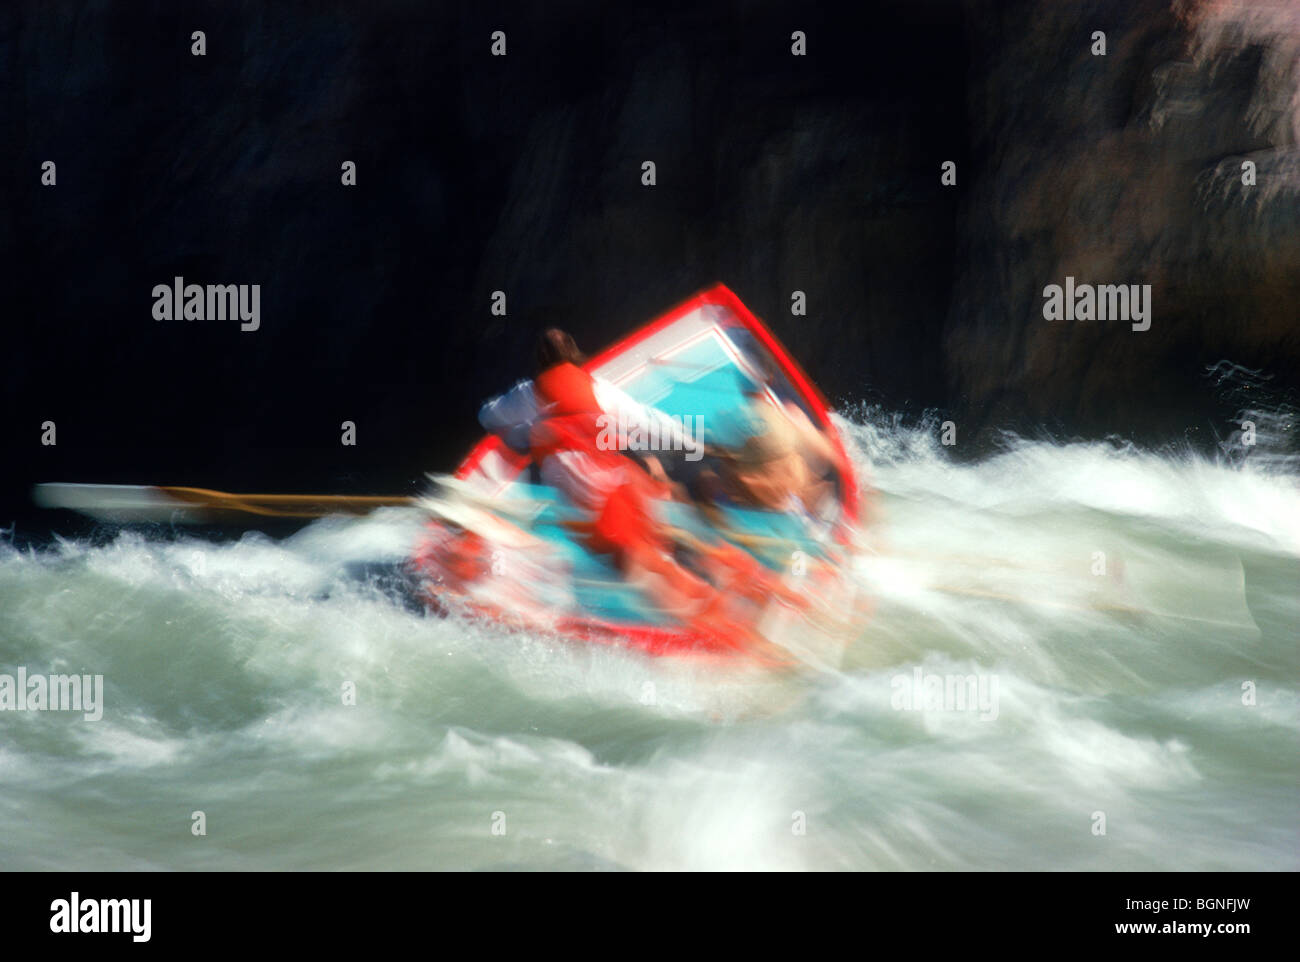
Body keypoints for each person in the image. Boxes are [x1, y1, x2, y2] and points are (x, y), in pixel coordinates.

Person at [479, 329, 722, 622]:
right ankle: (707, 598)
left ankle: (689, 620)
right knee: (646, 545)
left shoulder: (528, 392)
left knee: (628, 558)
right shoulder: (598, 388)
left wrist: (525, 433)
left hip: (582, 488)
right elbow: (648, 423)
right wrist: (696, 444)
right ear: (574, 353)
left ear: (540, 360)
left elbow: (488, 416)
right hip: (615, 478)